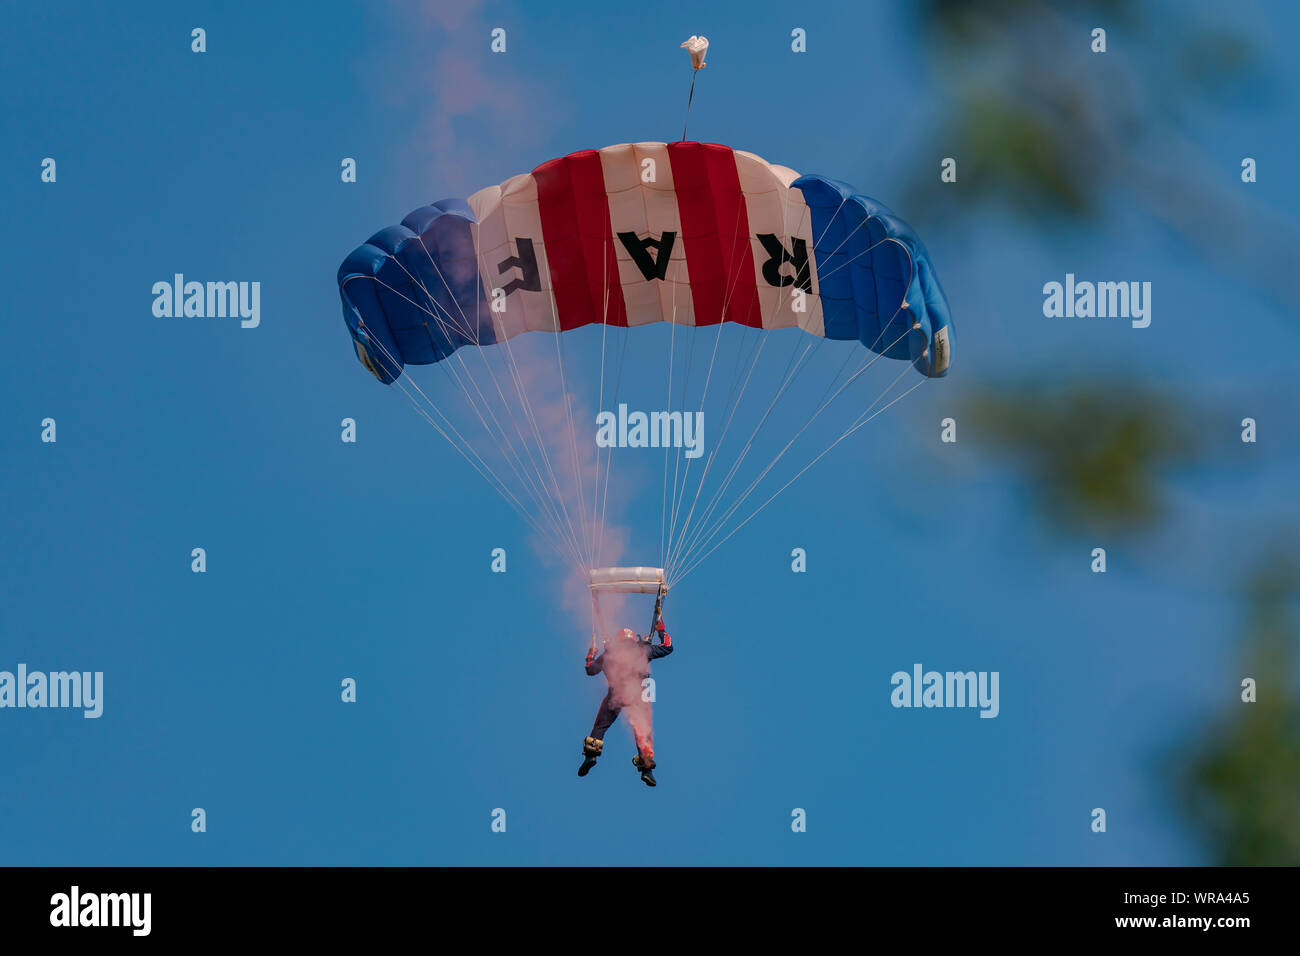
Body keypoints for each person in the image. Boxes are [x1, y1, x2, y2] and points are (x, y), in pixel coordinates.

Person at [578, 618, 673, 786]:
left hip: (616, 694)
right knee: (642, 732)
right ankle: (647, 770)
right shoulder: (643, 650)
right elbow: (667, 647)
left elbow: (590, 669)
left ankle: (591, 756)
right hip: (638, 694)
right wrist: (661, 630)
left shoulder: (609, 654)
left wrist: (591, 654)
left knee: (600, 726)